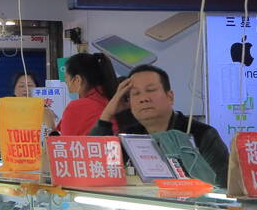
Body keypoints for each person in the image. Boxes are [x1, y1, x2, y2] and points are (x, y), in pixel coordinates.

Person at [89, 64, 230, 187]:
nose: (144, 98)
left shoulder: (201, 135)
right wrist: (107, 114)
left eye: (150, 90)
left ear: (170, 97)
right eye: (135, 93)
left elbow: (224, 186)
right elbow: (96, 166)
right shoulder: (129, 137)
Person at [58, 52, 118, 137]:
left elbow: (64, 146)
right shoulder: (112, 98)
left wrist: (49, 125)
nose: (66, 84)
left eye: (66, 79)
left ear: (77, 80)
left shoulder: (78, 106)